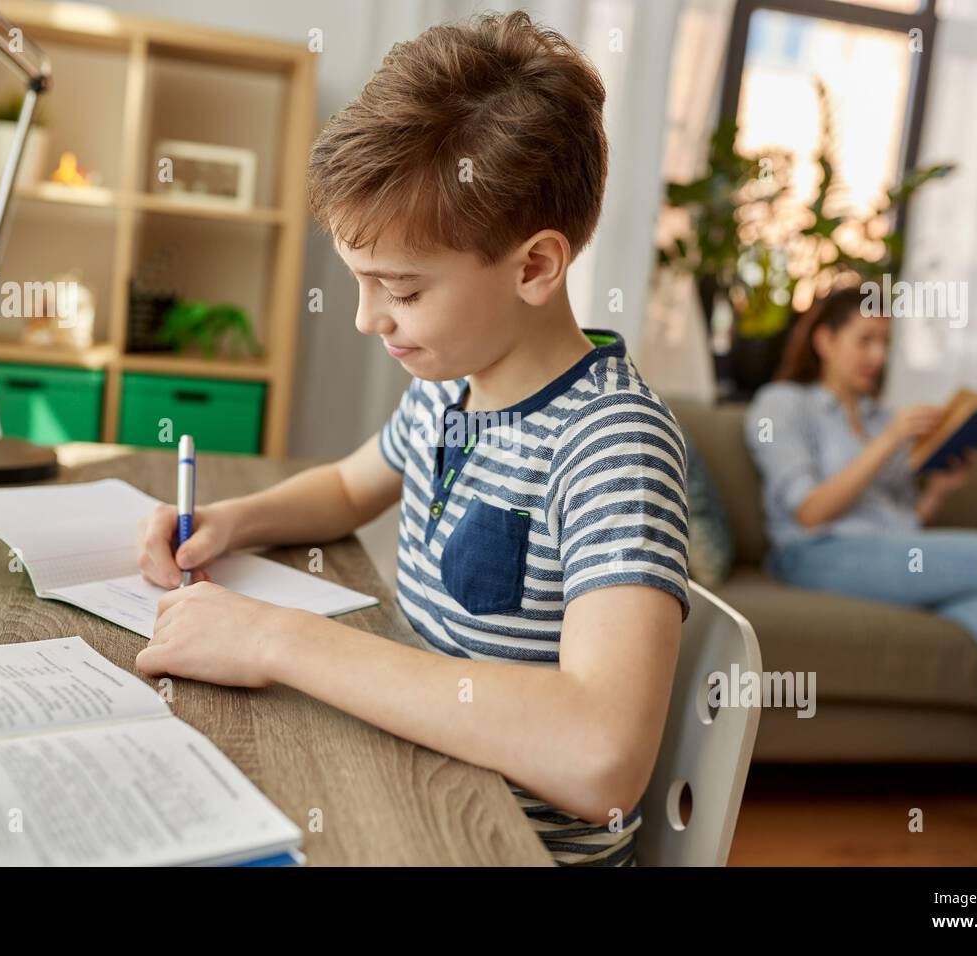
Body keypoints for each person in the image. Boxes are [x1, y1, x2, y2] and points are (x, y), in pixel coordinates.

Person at [132, 11, 691, 866]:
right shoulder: (453, 384)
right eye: (358, 282)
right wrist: (232, 520)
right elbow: (353, 488)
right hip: (408, 782)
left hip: (494, 843)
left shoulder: (611, 444)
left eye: (401, 288)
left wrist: (273, 638)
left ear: (535, 267)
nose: (366, 319)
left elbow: (602, 755)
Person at [744, 284, 977, 866]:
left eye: (885, 343)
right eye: (865, 339)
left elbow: (902, 526)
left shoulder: (873, 415)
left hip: (895, 560)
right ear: (825, 339)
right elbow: (809, 510)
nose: (877, 355)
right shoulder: (782, 405)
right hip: (820, 555)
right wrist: (892, 439)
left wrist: (937, 491)